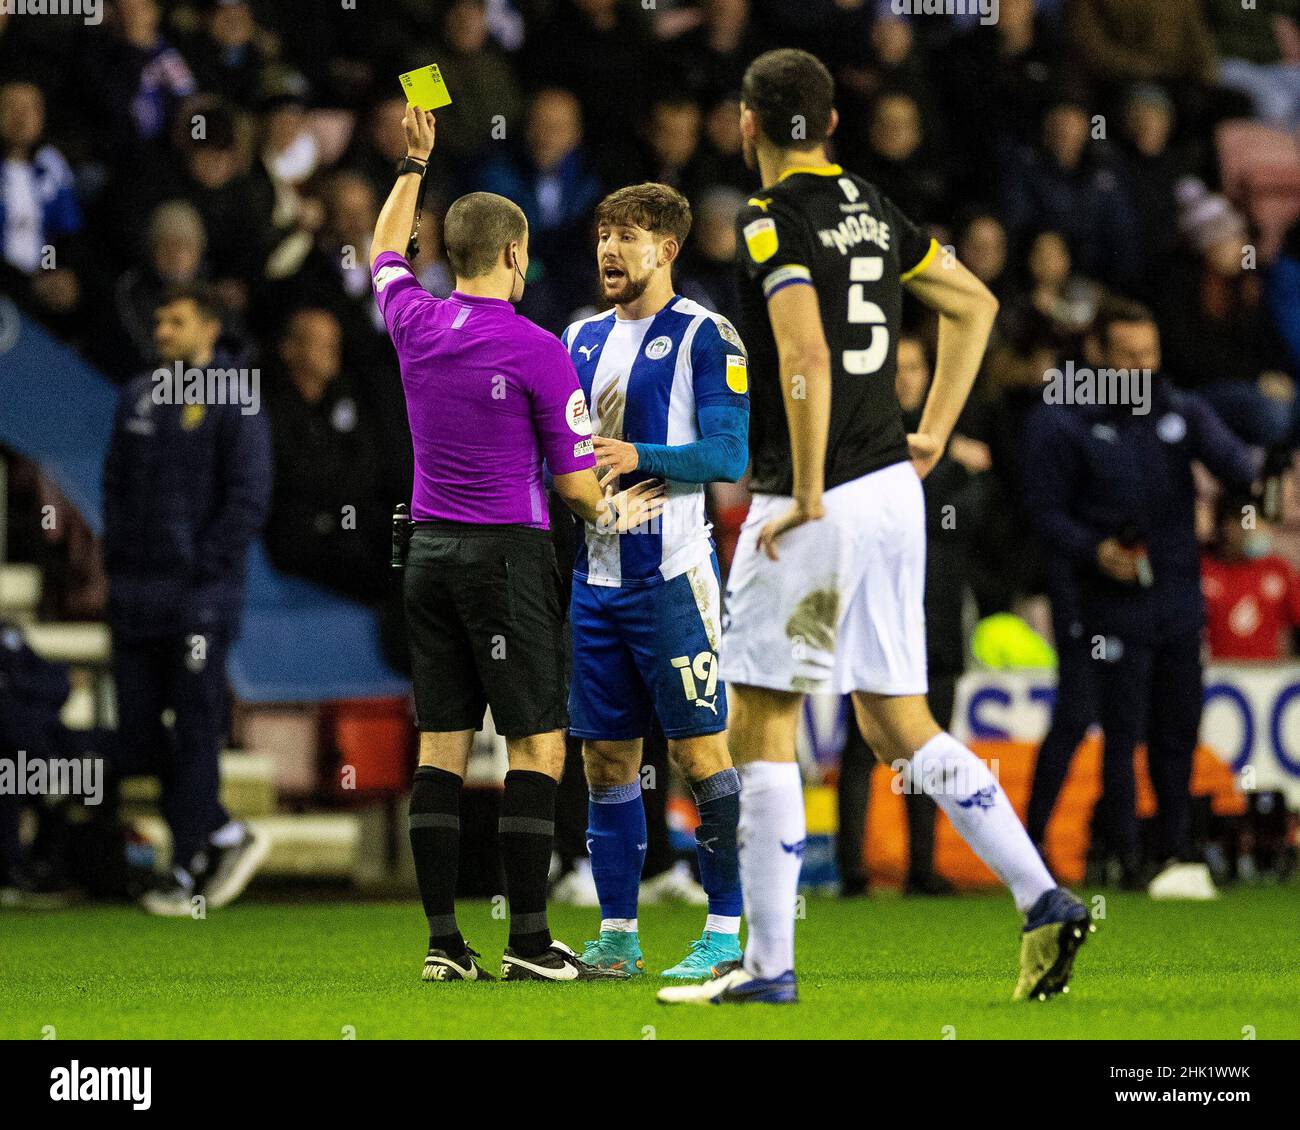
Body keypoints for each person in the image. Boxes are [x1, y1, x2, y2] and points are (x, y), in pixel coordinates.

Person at [660, 49, 1089, 1008]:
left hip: (817, 493)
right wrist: (934, 423)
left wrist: (807, 488)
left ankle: (768, 967)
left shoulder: (769, 220)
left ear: (745, 124)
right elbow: (974, 306)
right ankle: (1043, 895)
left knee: (762, 716)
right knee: (900, 723)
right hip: (895, 488)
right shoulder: (870, 206)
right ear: (834, 126)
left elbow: (804, 347)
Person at [369, 104, 663, 983]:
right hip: (506, 559)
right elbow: (576, 489)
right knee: (536, 745)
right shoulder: (540, 352)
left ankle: (442, 944)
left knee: (442, 747)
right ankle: (531, 942)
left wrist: (412, 167)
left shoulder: (414, 323)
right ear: (512, 256)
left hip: (426, 556)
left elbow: (381, 250)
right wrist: (619, 513)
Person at [560, 182, 750, 979]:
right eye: (604, 233)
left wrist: (644, 459)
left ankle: (726, 932)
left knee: (700, 755)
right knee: (606, 761)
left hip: (673, 577)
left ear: (668, 249)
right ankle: (618, 937)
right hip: (594, 581)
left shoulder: (709, 335)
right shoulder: (575, 339)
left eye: (628, 235)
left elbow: (729, 455)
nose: (609, 248)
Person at [1024, 300, 1265, 893]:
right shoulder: (1061, 418)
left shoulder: (1178, 409)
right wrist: (1093, 549)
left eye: (1150, 356)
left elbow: (1240, 465)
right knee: (1114, 727)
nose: (1142, 368)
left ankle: (1170, 849)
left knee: (1178, 726)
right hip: (1103, 602)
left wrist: (1264, 464)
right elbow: (1040, 513)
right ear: (1098, 356)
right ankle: (1117, 854)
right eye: (1129, 357)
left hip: (1178, 598)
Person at [103, 284, 272, 915]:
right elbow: (113, 487)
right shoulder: (137, 395)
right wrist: (118, 567)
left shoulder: (234, 395)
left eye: (176, 320)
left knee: (197, 729)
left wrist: (201, 572)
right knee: (139, 737)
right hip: (135, 599)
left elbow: (249, 496)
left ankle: (185, 868)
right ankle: (223, 832)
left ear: (208, 328)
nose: (162, 331)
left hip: (199, 601)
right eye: (158, 320)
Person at [1202, 490, 1300, 661]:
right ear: (1222, 525)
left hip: (1269, 681)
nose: (1231, 532)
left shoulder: (1277, 569)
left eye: (1255, 523)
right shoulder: (1200, 571)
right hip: (1215, 681)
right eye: (1248, 523)